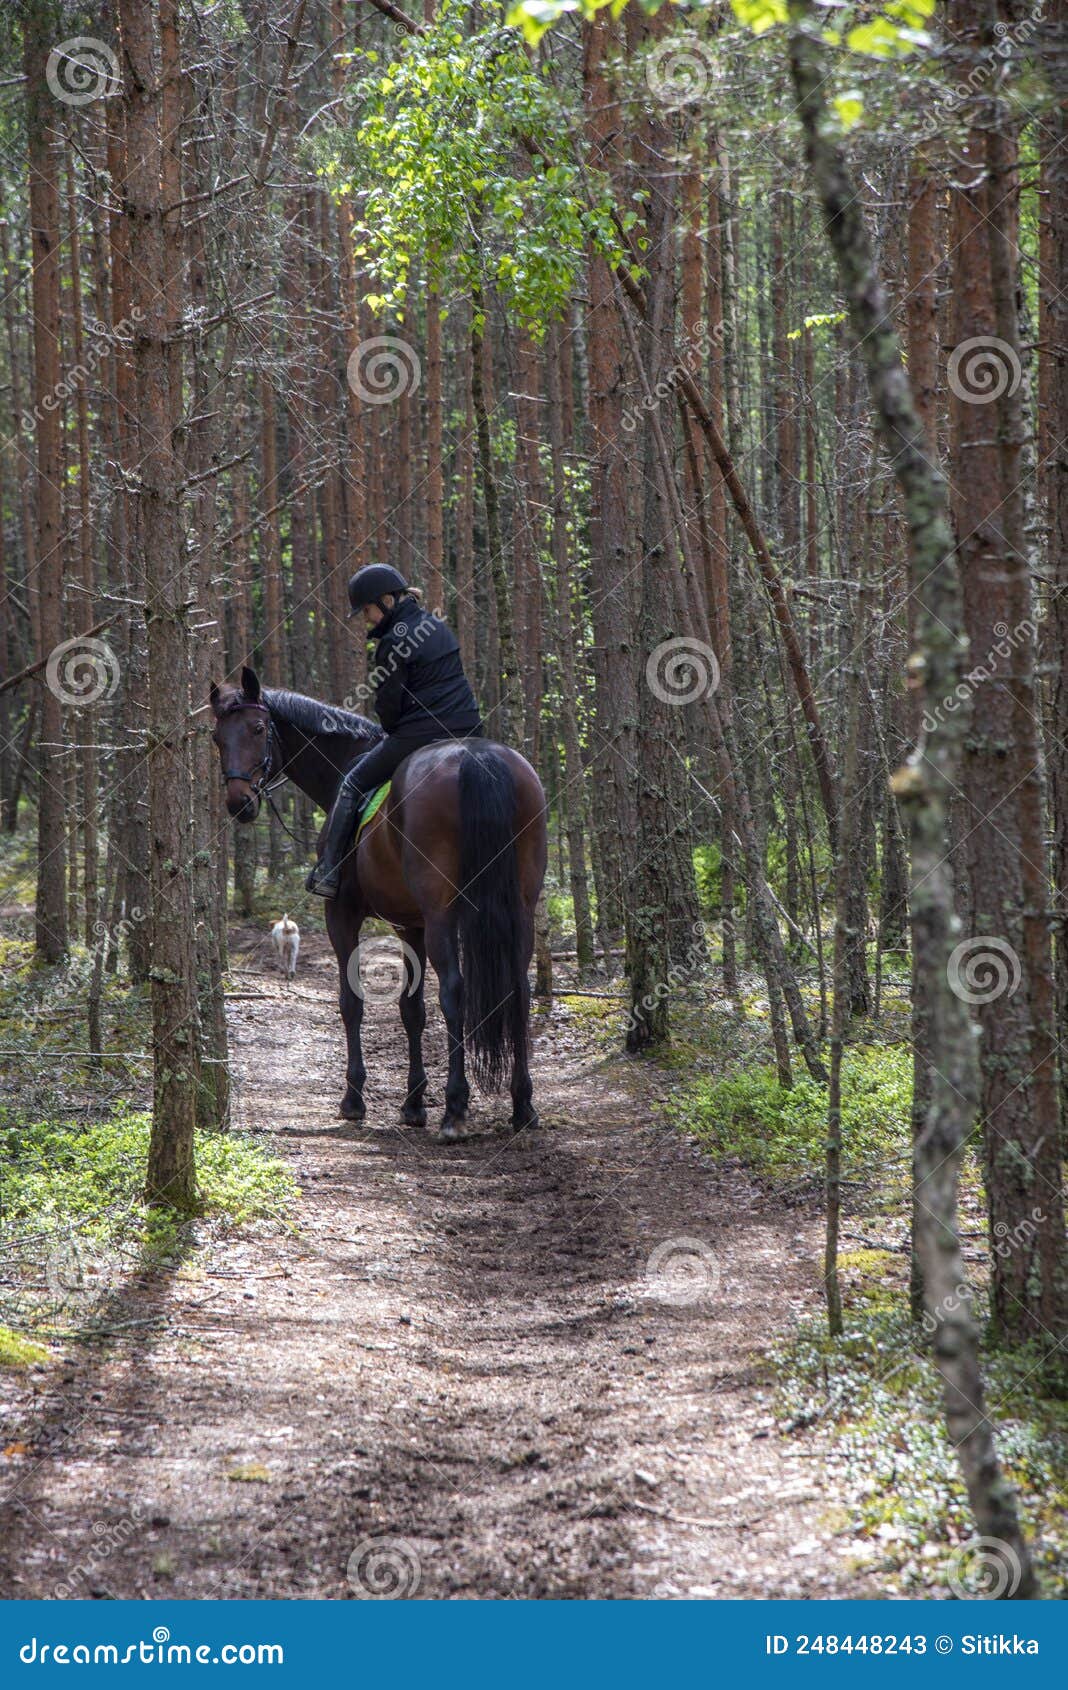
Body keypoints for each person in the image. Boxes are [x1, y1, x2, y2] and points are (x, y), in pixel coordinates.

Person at [305, 563, 484, 899]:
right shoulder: (436, 625)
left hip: (422, 735)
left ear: (386, 601)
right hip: (470, 729)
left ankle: (329, 871)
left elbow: (389, 708)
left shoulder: (390, 642)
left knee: (351, 783)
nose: (367, 619)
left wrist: (389, 728)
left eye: (368, 610)